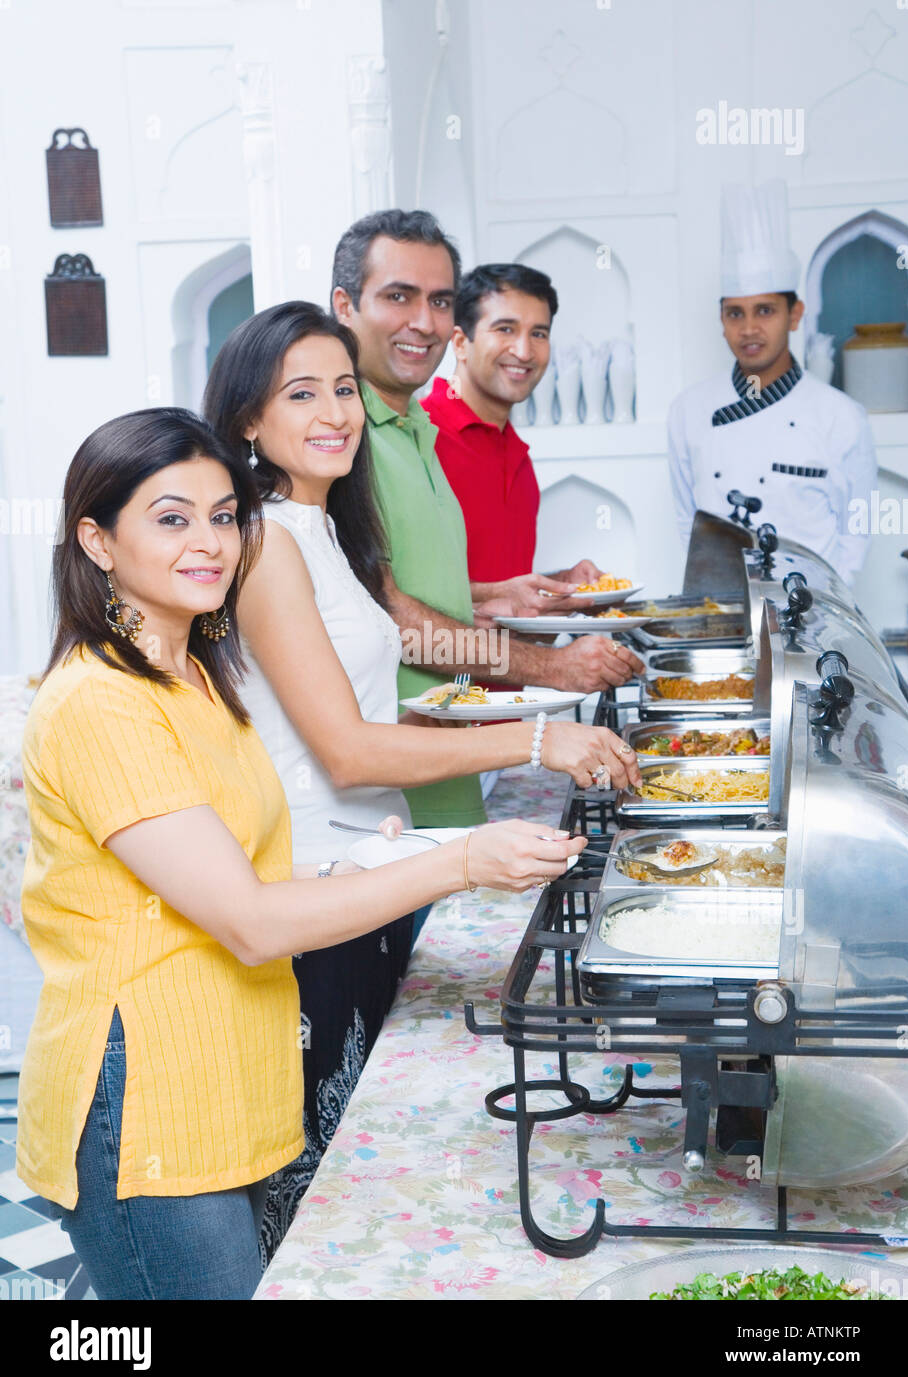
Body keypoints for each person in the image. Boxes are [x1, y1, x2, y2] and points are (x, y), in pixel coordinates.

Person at [16, 407, 587, 1300]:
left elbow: (231, 873)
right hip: (149, 1101)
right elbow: (246, 922)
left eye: (223, 515)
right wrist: (461, 861)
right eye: (171, 519)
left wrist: (356, 867)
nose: (209, 542)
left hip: (226, 1068)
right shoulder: (102, 704)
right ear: (97, 539)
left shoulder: (196, 674)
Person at [202, 303, 642, 1252]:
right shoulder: (270, 540)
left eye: (344, 389)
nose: (336, 413)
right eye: (302, 394)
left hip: (372, 872)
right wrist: (531, 739)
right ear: (247, 420)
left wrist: (522, 712)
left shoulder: (322, 531)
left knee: (366, 1163)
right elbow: (348, 750)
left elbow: (370, 705)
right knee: (322, 1192)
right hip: (314, 896)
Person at [331, 209, 644, 827]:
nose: (423, 321)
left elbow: (407, 588)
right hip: (390, 780)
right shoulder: (344, 433)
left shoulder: (413, 426)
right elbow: (393, 615)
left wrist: (512, 595)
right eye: (399, 296)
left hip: (458, 746)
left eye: (439, 300)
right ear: (345, 307)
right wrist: (555, 666)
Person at [667, 179, 876, 587]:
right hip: (722, 613)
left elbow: (856, 533)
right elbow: (684, 521)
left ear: (794, 314)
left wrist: (823, 612)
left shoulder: (841, 416)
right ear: (721, 318)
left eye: (765, 311)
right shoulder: (687, 411)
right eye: (735, 313)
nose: (749, 329)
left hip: (813, 620)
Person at [424, 262, 610, 611]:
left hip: (506, 664)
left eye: (538, 334)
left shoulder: (516, 453)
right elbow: (396, 594)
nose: (524, 352)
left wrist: (560, 583)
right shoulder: (421, 436)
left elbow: (501, 587)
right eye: (505, 329)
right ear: (461, 343)